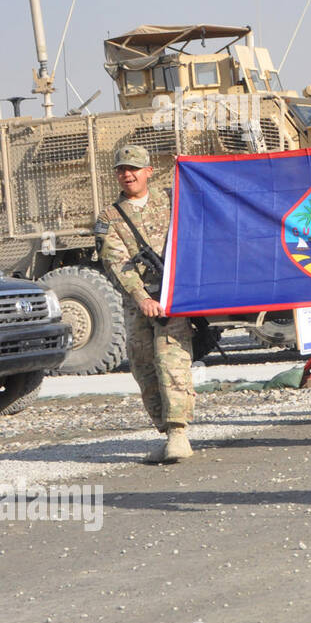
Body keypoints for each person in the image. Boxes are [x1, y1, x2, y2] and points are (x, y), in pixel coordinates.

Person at [94, 145, 195, 462]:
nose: (128, 174)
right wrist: (142, 297)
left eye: (134, 168)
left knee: (172, 360)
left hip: (173, 297)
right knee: (143, 364)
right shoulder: (109, 217)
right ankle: (165, 432)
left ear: (149, 171)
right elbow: (115, 261)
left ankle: (179, 432)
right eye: (122, 169)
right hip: (138, 302)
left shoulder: (171, 201)